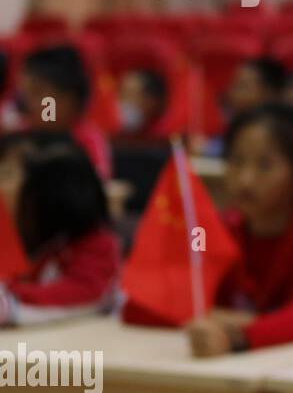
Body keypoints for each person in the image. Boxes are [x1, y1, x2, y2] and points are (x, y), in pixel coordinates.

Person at [123, 103, 293, 355]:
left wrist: (235, 337)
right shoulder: (212, 233)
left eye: (264, 165)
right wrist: (214, 318)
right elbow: (140, 308)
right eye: (236, 161)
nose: (245, 179)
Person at [0, 133, 119, 326]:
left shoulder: (99, 245)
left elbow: (84, 292)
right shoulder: (54, 247)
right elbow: (24, 280)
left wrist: (11, 299)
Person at [17, 46, 111, 179]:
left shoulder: (88, 142)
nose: (27, 103)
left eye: (37, 92)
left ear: (70, 99)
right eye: (25, 94)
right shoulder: (18, 139)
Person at [117, 68, 168, 138]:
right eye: (120, 94)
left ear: (151, 101)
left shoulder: (165, 137)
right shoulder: (114, 135)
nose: (120, 101)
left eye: (128, 95)